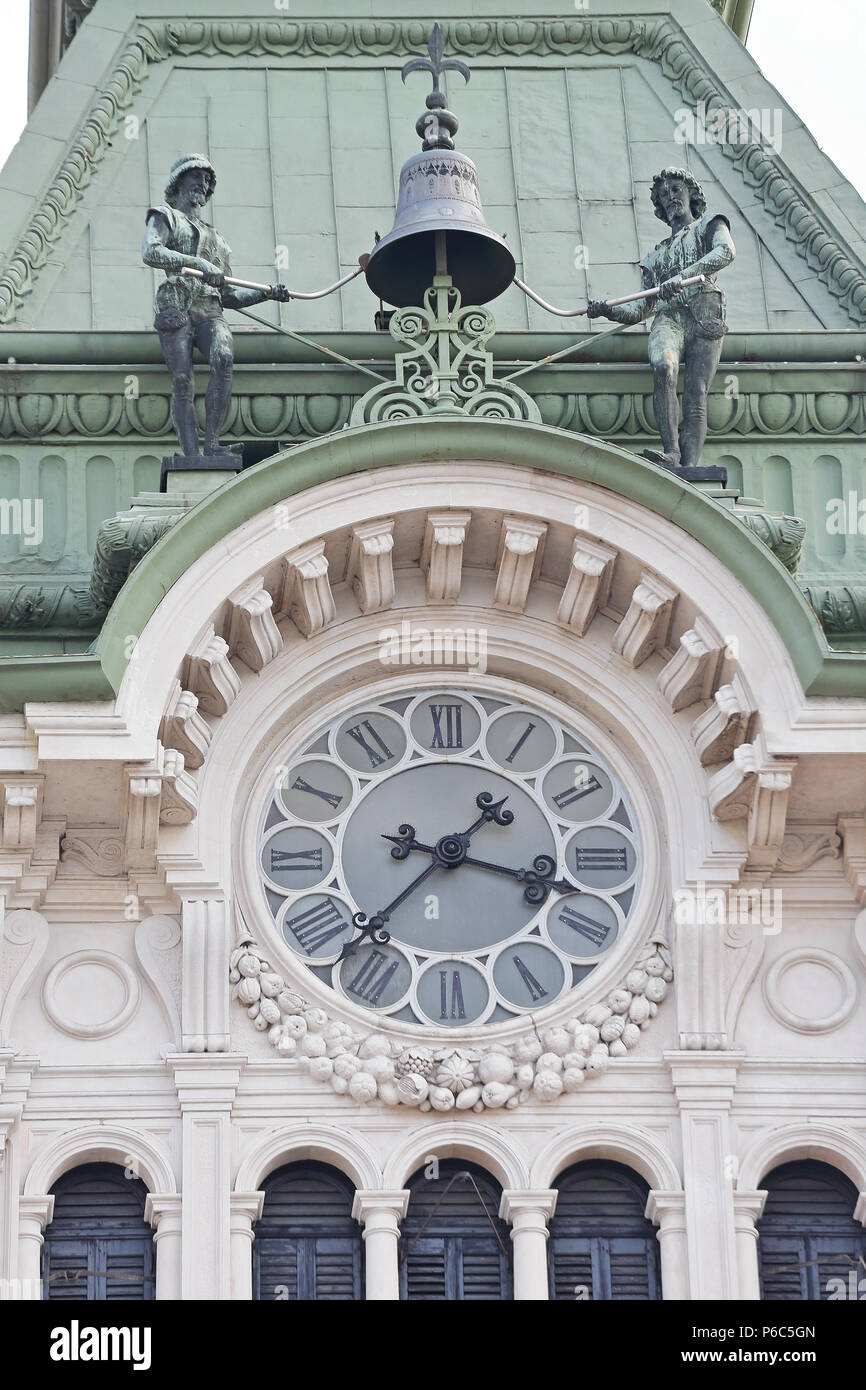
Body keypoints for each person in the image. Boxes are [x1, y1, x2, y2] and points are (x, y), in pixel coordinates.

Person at [141, 154, 290, 460]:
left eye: (206, 179)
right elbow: (151, 252)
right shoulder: (165, 216)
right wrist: (195, 262)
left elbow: (231, 296)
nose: (202, 182)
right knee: (182, 379)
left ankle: (212, 443)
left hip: (209, 308)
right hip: (176, 303)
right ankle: (192, 455)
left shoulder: (217, 238)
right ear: (179, 181)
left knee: (223, 358)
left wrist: (268, 294)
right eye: (195, 175)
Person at [587, 167, 735, 472]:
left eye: (675, 190)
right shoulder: (655, 258)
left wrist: (684, 276)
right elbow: (641, 310)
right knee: (664, 364)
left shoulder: (710, 224)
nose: (670, 197)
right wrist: (607, 310)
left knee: (696, 393)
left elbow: (726, 252)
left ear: (691, 195)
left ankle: (688, 466)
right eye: (663, 194)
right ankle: (671, 452)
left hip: (705, 311)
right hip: (670, 317)